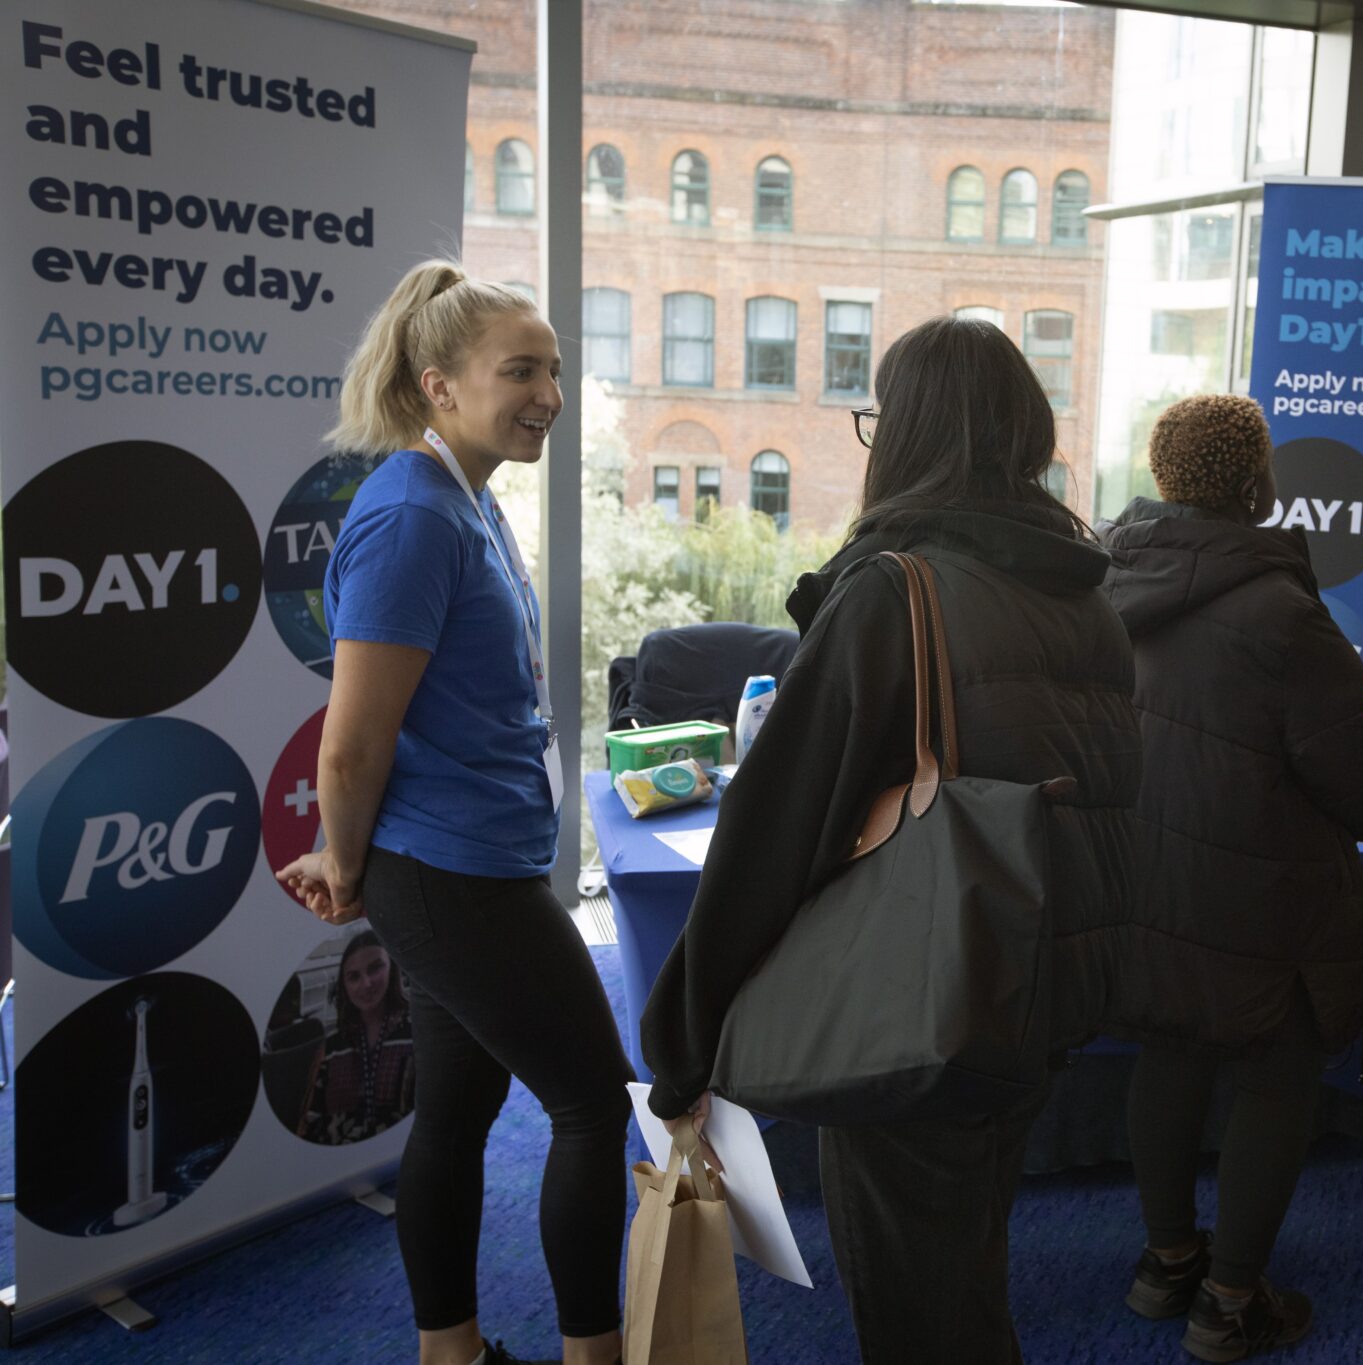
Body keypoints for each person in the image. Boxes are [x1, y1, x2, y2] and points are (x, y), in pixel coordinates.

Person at [638, 316, 1140, 1363]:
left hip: (917, 988)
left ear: (905, 432)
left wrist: (681, 1044)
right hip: (1041, 969)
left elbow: (773, 834)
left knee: (919, 1302)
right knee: (964, 1257)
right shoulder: (1084, 590)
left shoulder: (892, 592)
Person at [278, 260, 633, 1365]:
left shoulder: (464, 498)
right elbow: (353, 739)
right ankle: (593, 1354)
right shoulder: (411, 518)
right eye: (520, 371)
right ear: (437, 386)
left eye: (556, 370)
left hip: (466, 859)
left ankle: (453, 1352)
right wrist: (342, 860)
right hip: (447, 874)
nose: (549, 395)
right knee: (590, 1105)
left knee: (459, 1112)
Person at [1099, 394, 1363, 1362]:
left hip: (1144, 887)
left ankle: (1165, 1265)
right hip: (1267, 910)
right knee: (1276, 1079)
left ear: (1163, 477)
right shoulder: (1284, 612)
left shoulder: (1104, 585)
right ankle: (1228, 1307)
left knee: (1168, 1053)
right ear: (1260, 484)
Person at [300, 930, 417, 1145]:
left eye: (375, 968)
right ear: (343, 984)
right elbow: (311, 1120)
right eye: (354, 976)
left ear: (391, 968)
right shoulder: (334, 1043)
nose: (366, 984)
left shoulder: (418, 1030)